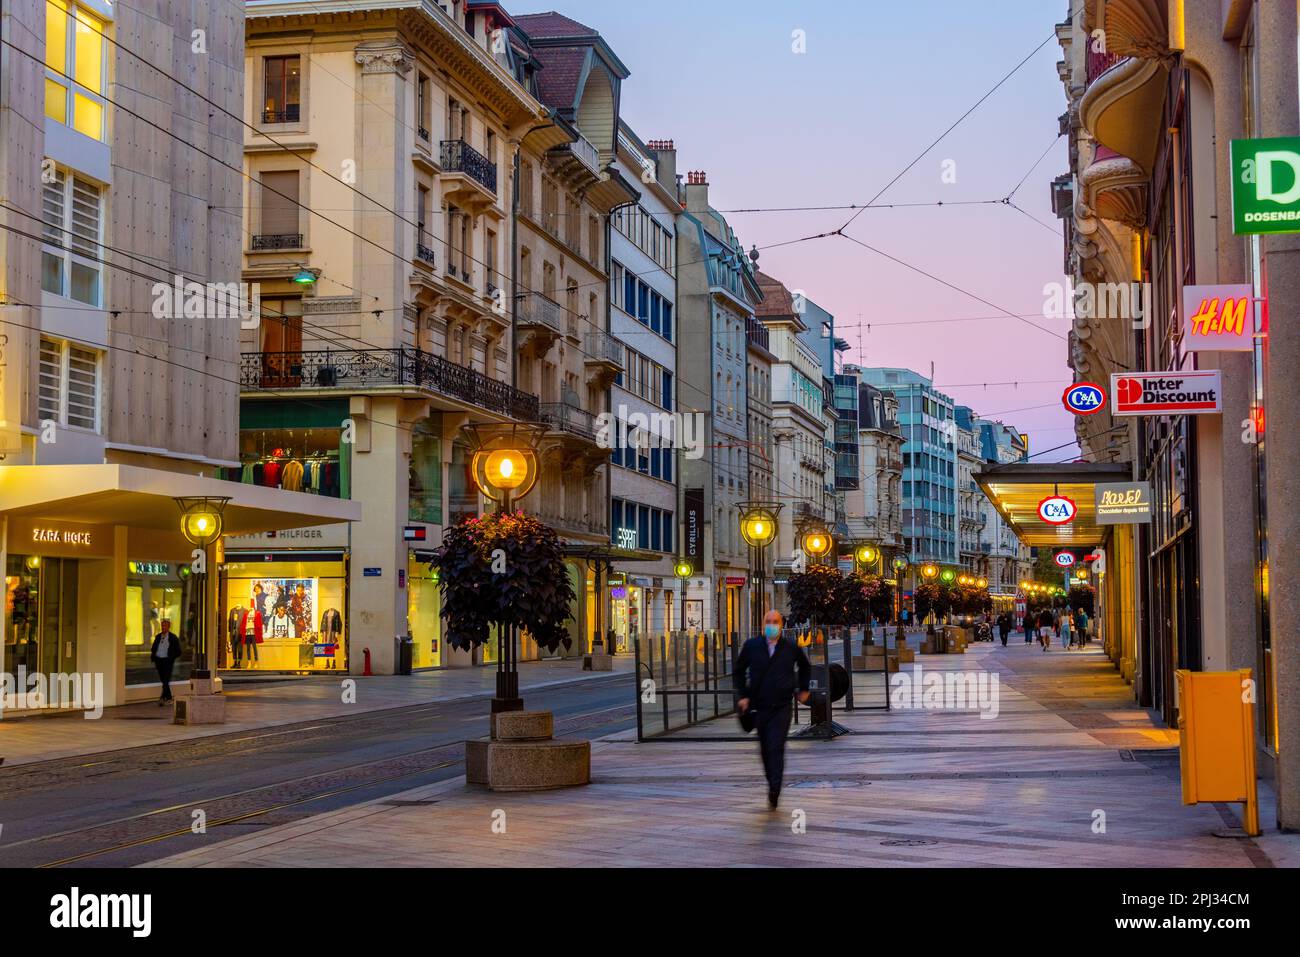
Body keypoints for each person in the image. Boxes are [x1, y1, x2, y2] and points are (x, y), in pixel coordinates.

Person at [733, 609, 811, 809]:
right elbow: (739, 670)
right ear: (762, 624)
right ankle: (771, 781)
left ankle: (775, 788)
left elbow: (805, 666)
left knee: (776, 745)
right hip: (760, 706)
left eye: (775, 621)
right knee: (765, 748)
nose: (771, 625)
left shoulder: (790, 647)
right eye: (768, 621)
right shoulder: (752, 646)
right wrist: (742, 696)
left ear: (781, 624)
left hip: (782, 706)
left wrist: (803, 689)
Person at [151, 618, 182, 705]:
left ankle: (163, 698)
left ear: (169, 627)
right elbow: (154, 648)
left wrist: (171, 657)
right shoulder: (158, 636)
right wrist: (154, 657)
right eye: (162, 625)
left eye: (165, 626)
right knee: (164, 680)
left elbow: (178, 651)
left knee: (165, 680)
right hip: (159, 661)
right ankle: (167, 698)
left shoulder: (173, 637)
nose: (163, 627)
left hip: (167, 661)